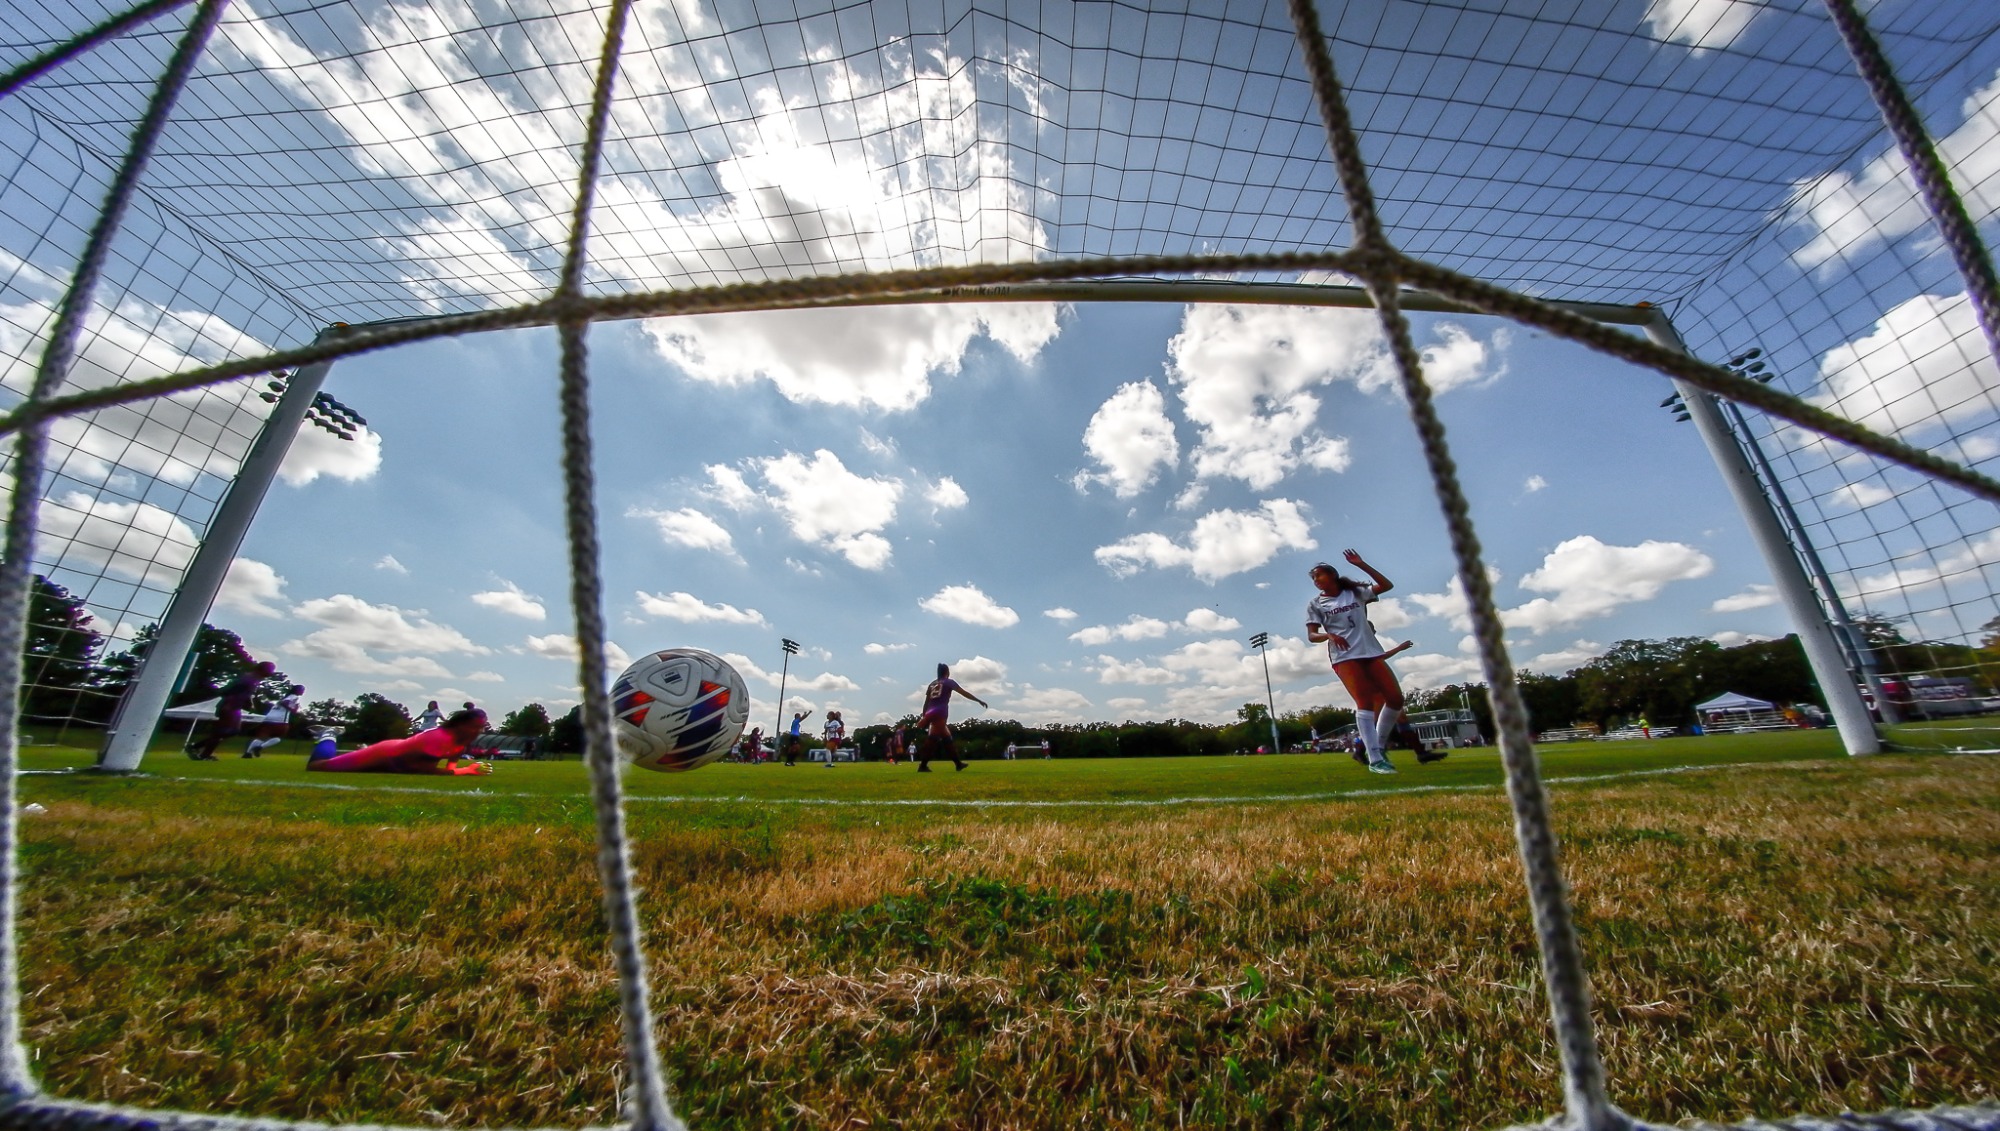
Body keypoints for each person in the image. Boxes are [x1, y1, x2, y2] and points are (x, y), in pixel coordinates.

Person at [1306, 550, 1408, 774]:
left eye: (1319, 575)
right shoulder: (1315, 604)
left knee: (1395, 699)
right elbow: (1312, 635)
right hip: (1344, 656)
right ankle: (1375, 759)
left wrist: (1361, 564)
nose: (1316, 580)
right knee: (1365, 702)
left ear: (1332, 575)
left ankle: (1378, 746)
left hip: (1369, 651)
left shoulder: (1355, 593)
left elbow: (1387, 585)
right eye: (1313, 578)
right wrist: (1328, 635)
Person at [306, 708, 493, 775]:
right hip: (383, 755)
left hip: (392, 762)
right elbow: (424, 770)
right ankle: (328, 734)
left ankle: (338, 743)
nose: (478, 731)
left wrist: (467, 770)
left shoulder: (460, 743)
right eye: (474, 727)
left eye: (481, 727)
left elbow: (450, 768)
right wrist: (467, 770)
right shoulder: (438, 738)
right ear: (460, 725)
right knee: (317, 766)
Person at [189, 660, 276, 761]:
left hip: (235, 707)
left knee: (231, 731)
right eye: (271, 670)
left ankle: (196, 748)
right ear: (263, 669)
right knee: (226, 730)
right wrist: (229, 702)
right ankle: (202, 753)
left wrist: (249, 703)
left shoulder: (254, 679)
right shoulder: (248, 678)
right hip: (230, 706)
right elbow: (229, 690)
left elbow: (246, 693)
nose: (271, 673)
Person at [916, 662, 986, 772]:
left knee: (947, 738)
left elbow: (926, 702)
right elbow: (964, 693)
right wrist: (978, 700)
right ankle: (923, 765)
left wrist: (924, 716)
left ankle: (958, 764)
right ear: (947, 672)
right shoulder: (949, 682)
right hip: (940, 712)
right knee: (932, 739)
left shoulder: (932, 684)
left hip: (930, 711)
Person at [243, 683, 303, 757]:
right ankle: (260, 747)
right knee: (278, 737)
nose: (303, 691)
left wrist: (295, 708)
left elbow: (283, 702)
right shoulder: (294, 696)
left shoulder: (286, 696)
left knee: (261, 736)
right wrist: (292, 709)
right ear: (297, 690)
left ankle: (248, 753)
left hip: (268, 718)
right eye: (302, 689)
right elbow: (284, 703)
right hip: (280, 720)